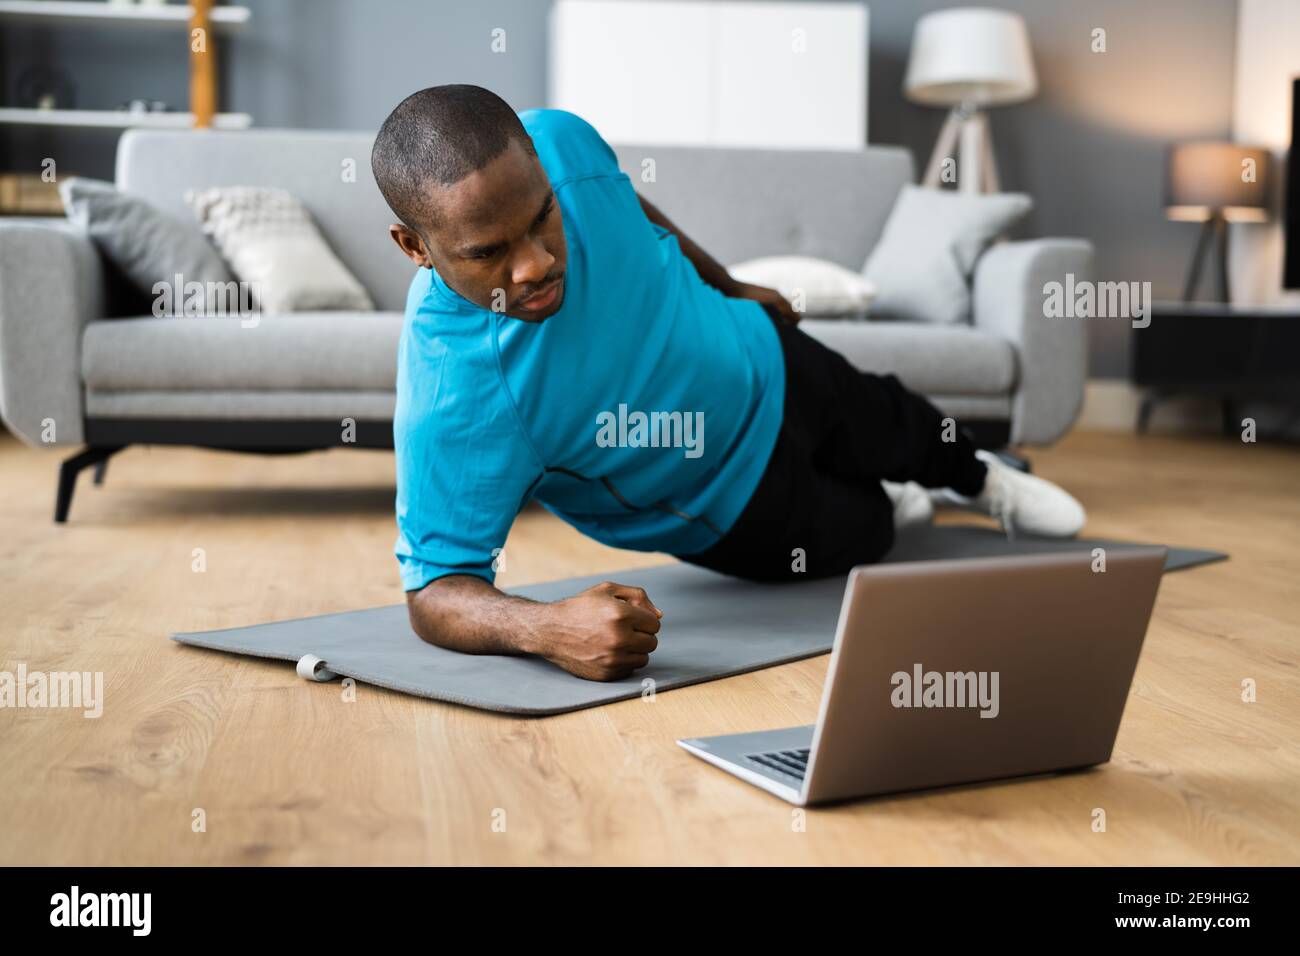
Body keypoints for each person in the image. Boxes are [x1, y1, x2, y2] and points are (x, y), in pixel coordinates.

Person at [371, 84, 1085, 682]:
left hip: (756, 355)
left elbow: (627, 207)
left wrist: (731, 283)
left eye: (542, 219)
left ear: (542, 174)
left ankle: (979, 480)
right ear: (414, 248)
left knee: (899, 417)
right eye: (491, 252)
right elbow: (435, 590)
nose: (535, 265)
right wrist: (548, 629)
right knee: (868, 529)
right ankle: (901, 494)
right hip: (723, 499)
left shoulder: (559, 141)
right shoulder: (453, 398)